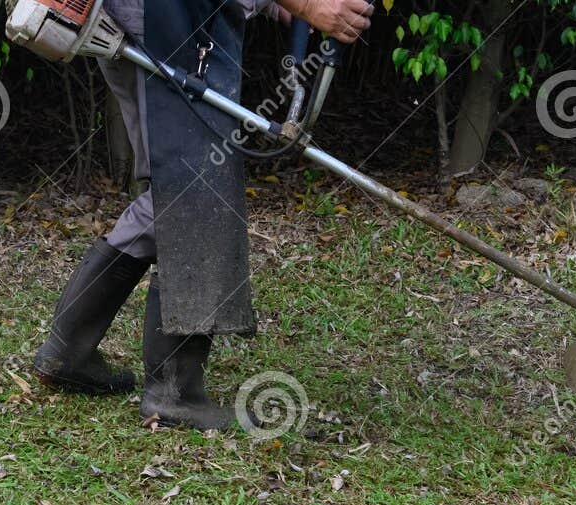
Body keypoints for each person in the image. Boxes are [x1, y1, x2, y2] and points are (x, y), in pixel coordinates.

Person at [31, 0, 374, 430]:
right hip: (165, 25)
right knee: (187, 198)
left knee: (176, 197)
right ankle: (173, 395)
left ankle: (70, 352)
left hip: (169, 23)